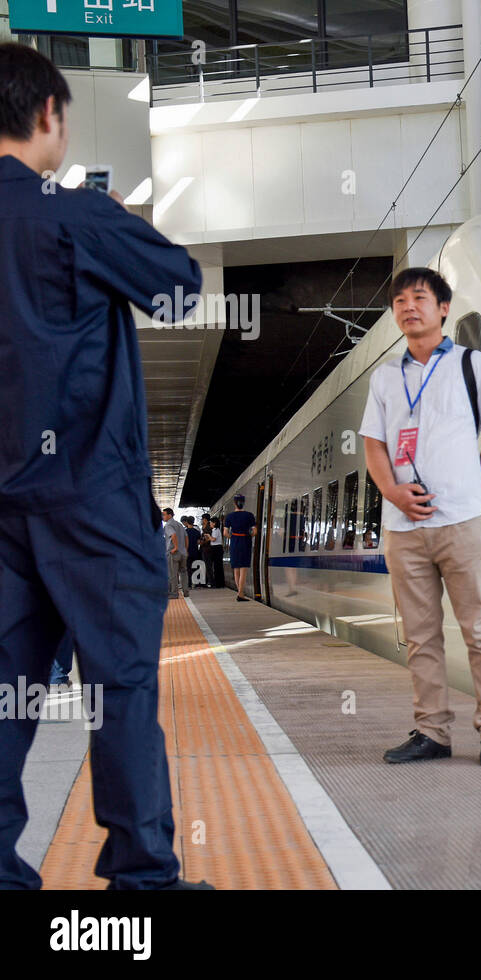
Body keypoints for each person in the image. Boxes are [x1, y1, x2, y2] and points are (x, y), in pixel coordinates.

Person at [0, 43, 209, 889]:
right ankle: (140, 876)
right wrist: (114, 216)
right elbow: (178, 289)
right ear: (49, 115)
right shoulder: (71, 211)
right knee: (118, 687)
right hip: (91, 499)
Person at [360, 268, 481, 767]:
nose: (409, 306)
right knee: (420, 635)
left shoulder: (474, 365)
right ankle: (432, 732)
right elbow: (373, 444)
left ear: (443, 307)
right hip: (403, 528)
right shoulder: (385, 378)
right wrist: (394, 493)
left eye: (420, 298)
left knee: (480, 629)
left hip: (459, 523)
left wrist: (471, 488)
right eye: (400, 300)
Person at [224, 496, 256, 601]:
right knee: (243, 569)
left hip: (234, 543)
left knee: (236, 569)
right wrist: (248, 535)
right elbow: (254, 532)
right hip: (245, 542)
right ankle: (240, 594)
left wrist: (233, 537)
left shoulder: (229, 516)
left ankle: (240, 593)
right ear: (243, 503)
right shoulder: (249, 515)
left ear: (234, 503)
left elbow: (225, 533)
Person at [162, 508, 188, 599]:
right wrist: (185, 549)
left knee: (172, 573)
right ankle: (186, 592)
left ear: (169, 515)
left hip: (174, 553)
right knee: (183, 572)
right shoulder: (179, 524)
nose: (162, 516)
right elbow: (186, 537)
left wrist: (176, 547)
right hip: (183, 552)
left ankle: (174, 593)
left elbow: (173, 535)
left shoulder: (168, 525)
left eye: (164, 514)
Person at [182, 516, 201, 589]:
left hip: (187, 552)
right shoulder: (197, 532)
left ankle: (189, 584)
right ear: (193, 522)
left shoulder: (185, 532)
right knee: (196, 567)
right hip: (195, 552)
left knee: (188, 569)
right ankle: (197, 584)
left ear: (187, 522)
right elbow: (199, 542)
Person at [208, 515, 226, 589]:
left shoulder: (216, 530)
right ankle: (219, 583)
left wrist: (208, 536)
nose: (210, 524)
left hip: (216, 549)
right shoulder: (215, 530)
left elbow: (213, 539)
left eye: (211, 523)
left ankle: (219, 583)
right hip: (217, 548)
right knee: (217, 566)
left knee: (217, 566)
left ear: (214, 523)